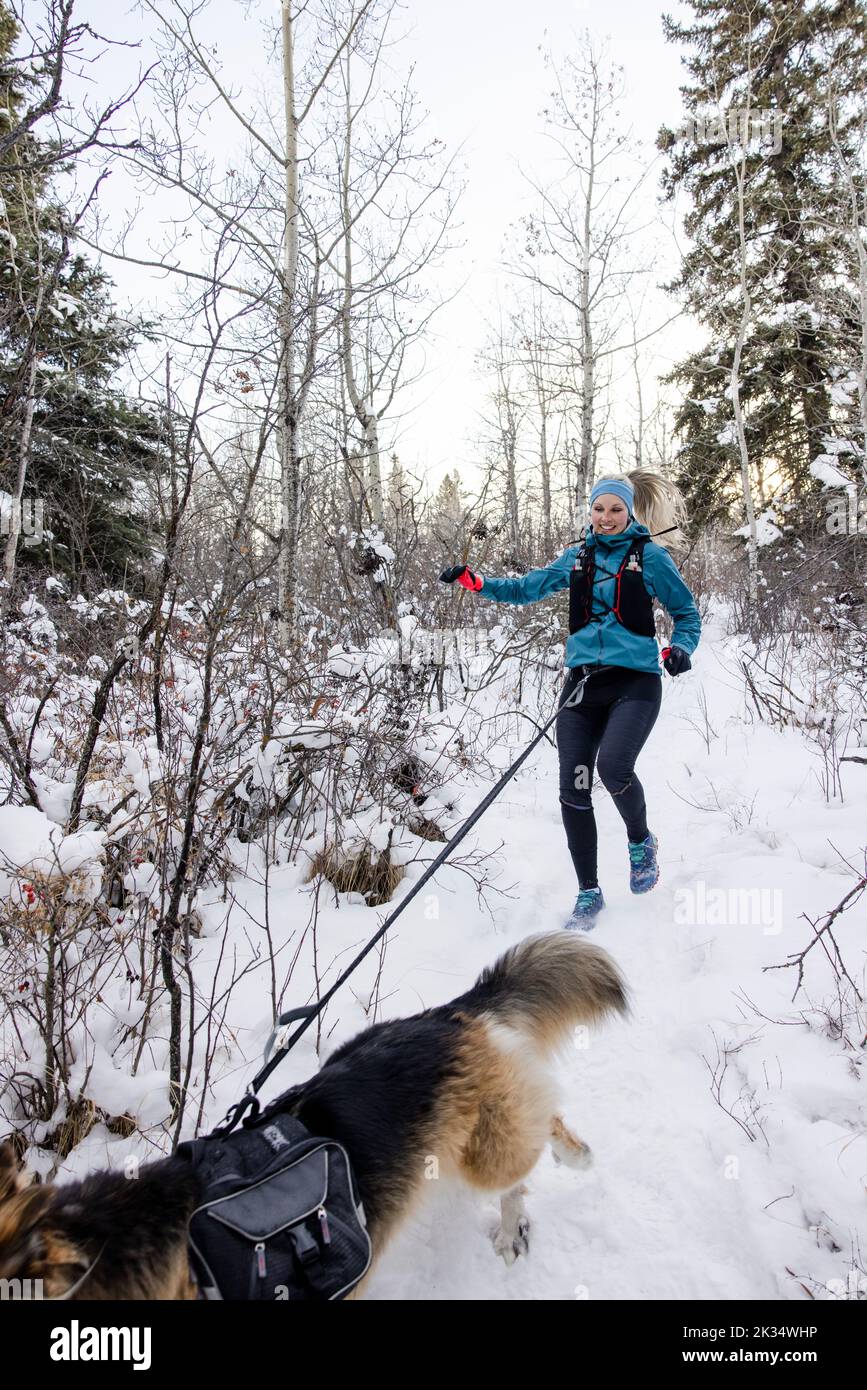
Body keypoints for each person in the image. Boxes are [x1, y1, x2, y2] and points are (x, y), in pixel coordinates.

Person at [439, 470, 701, 931]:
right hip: (582, 689)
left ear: (630, 511)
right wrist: (476, 583)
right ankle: (588, 893)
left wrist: (680, 648)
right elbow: (526, 588)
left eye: (616, 509)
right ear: (590, 511)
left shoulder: (651, 558)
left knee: (613, 767)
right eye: (599, 509)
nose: (606, 517)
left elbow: (685, 613)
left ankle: (641, 843)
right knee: (574, 789)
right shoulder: (576, 557)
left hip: (634, 685)